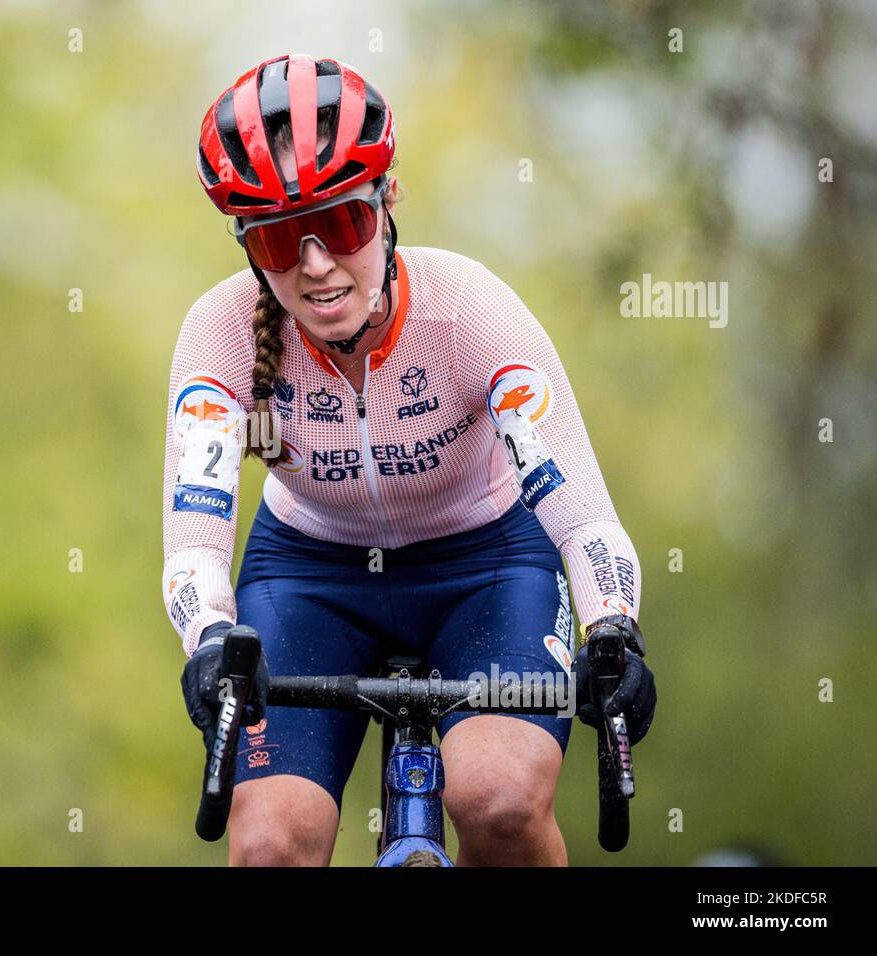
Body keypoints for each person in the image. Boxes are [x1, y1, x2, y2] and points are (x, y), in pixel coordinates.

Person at [164, 53, 656, 866]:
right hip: (309, 575)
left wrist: (614, 629)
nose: (317, 264)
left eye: (344, 224)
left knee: (499, 805)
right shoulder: (218, 334)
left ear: (387, 202)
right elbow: (194, 539)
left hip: (487, 566)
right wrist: (210, 635)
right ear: (250, 247)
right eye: (283, 237)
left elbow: (581, 513)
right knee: (268, 849)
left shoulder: (468, 310)